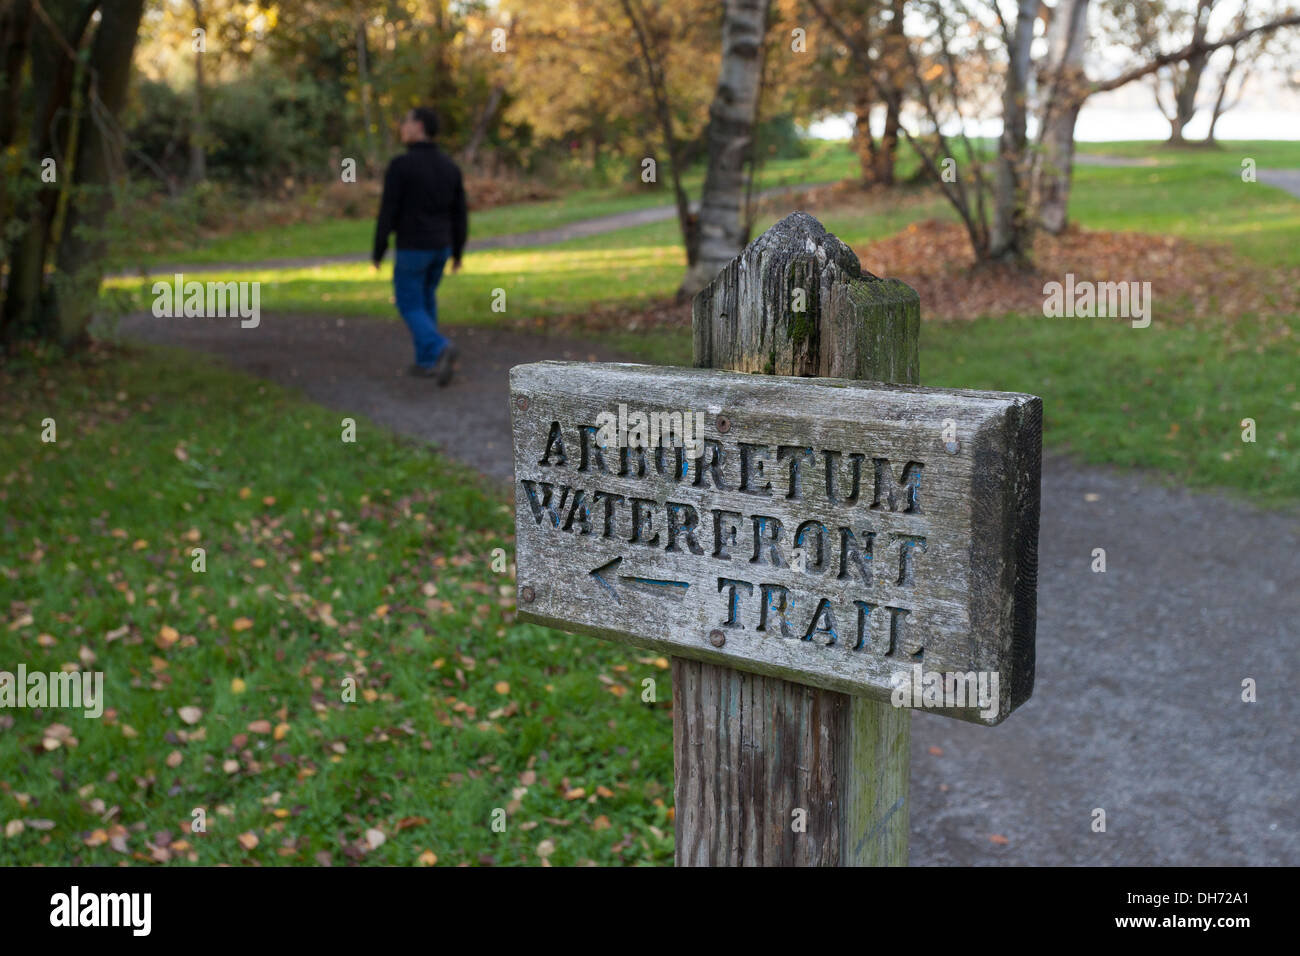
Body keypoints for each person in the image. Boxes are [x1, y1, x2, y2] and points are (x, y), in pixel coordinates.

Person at [372, 107, 468, 386]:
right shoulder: (450, 167)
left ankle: (439, 347)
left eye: (405, 121)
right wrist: (458, 252)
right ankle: (427, 362)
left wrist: (378, 250)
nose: (402, 127)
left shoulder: (401, 166)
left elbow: (388, 211)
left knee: (407, 302)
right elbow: (459, 214)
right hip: (441, 247)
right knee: (426, 300)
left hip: (413, 247)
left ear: (419, 126)